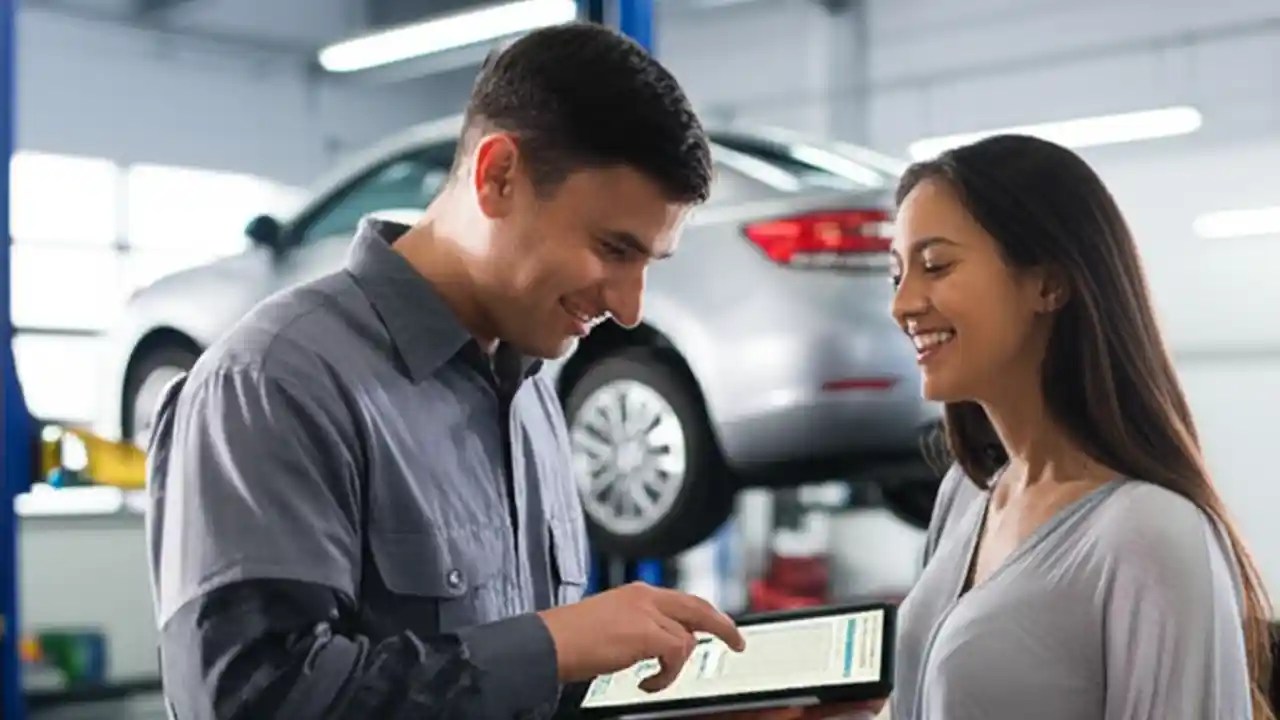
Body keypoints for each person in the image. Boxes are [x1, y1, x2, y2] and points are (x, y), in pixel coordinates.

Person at [144, 22, 867, 720]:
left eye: (649, 262)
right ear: (498, 177)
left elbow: (500, 692)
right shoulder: (274, 383)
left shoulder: (530, 394)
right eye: (614, 249)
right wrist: (555, 645)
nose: (628, 304)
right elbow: (250, 700)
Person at [885, 134, 1274, 719]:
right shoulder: (966, 498)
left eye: (936, 265)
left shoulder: (1149, 534)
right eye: (897, 275)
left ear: (1048, 283)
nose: (903, 304)